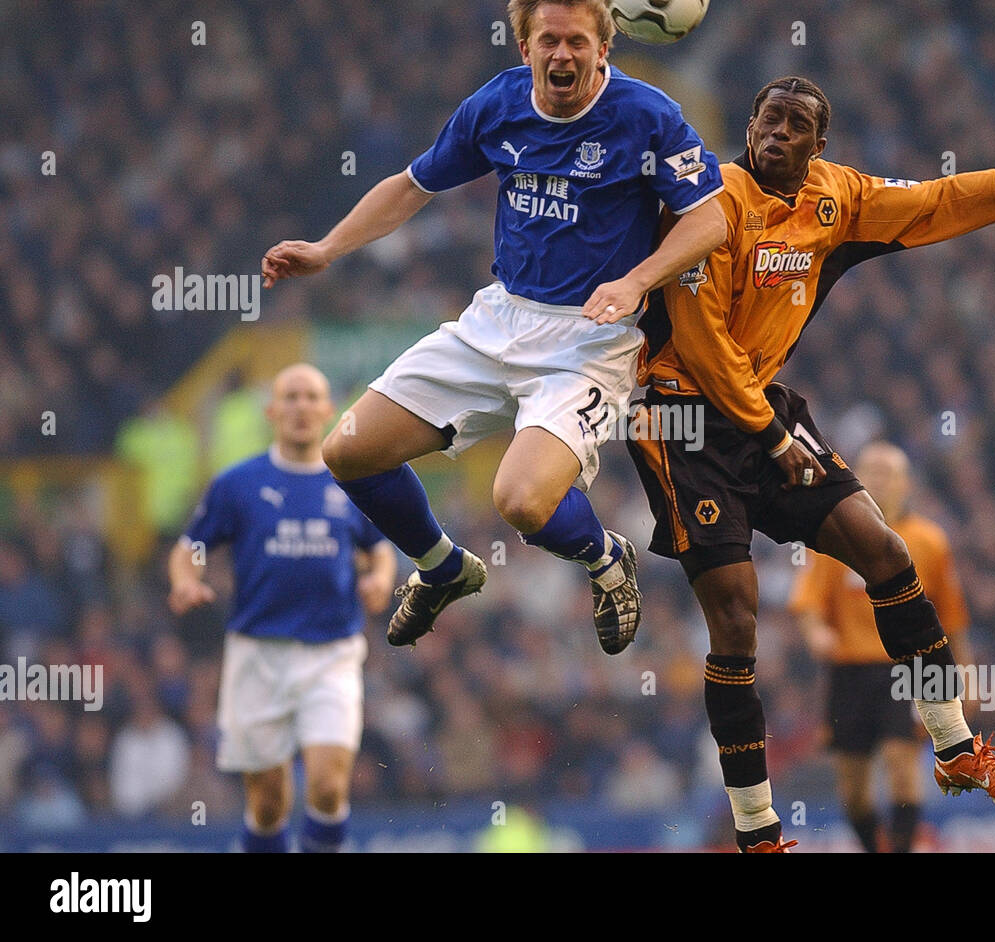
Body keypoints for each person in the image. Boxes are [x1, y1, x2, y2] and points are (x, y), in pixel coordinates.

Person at [612, 75, 995, 851]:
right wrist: (773, 437)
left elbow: (939, 201)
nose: (778, 134)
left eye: (796, 126)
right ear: (749, 127)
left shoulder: (836, 200)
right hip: (681, 417)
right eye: (768, 120)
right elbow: (702, 335)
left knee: (886, 549)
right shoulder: (710, 201)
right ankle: (758, 830)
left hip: (762, 406)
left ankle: (954, 747)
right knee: (737, 617)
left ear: (819, 146)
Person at [260, 0, 726, 656]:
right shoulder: (497, 104)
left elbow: (711, 219)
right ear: (524, 47)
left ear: (604, 50)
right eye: (548, 41)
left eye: (576, 42)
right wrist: (326, 249)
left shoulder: (647, 115)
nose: (562, 54)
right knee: (348, 453)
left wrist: (637, 280)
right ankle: (443, 567)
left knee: (523, 503)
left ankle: (605, 558)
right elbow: (411, 185)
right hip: (497, 319)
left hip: (590, 341)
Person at [168, 364, 397, 853]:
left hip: (332, 653)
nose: (301, 407)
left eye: (311, 397)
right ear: (272, 411)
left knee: (329, 786)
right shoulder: (238, 484)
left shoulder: (352, 481)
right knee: (269, 804)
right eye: (290, 397)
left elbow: (379, 545)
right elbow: (191, 545)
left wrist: (380, 577)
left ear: (329, 410)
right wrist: (187, 581)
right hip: (257, 655)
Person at [790, 442, 969, 852]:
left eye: (888, 472)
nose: (878, 479)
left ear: (905, 484)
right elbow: (808, 603)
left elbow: (952, 619)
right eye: (870, 470)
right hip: (850, 671)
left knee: (901, 768)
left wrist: (964, 679)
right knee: (853, 791)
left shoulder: (930, 541)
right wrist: (815, 631)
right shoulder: (834, 537)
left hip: (906, 669)